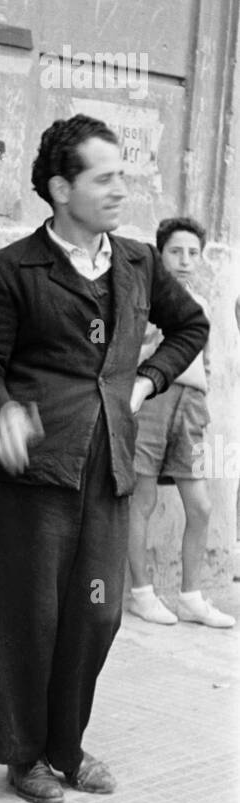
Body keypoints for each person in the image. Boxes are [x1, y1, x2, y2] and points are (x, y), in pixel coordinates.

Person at [0, 114, 209, 803]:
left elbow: (191, 326)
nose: (120, 190)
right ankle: (25, 755)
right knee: (27, 617)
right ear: (61, 188)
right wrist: (2, 412)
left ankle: (66, 744)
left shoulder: (137, 261)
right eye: (105, 178)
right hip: (33, 474)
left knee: (96, 614)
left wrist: (147, 379)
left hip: (108, 466)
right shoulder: (8, 272)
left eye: (121, 176)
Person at [127, 217, 234, 628]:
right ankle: (141, 594)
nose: (185, 260)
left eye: (193, 252)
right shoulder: (145, 299)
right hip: (152, 402)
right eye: (176, 251)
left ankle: (191, 596)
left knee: (201, 505)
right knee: (143, 501)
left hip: (190, 405)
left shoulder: (201, 305)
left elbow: (203, 360)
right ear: (160, 254)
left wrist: (200, 397)